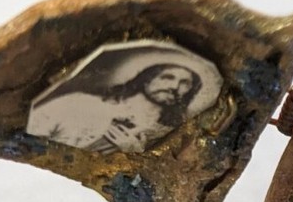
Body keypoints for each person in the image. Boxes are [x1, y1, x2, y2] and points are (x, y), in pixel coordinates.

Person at [27, 63, 202, 153]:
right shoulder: (79, 102)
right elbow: (32, 140)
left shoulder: (170, 133)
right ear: (147, 79)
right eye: (167, 77)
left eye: (185, 83)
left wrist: (133, 151)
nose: (174, 87)